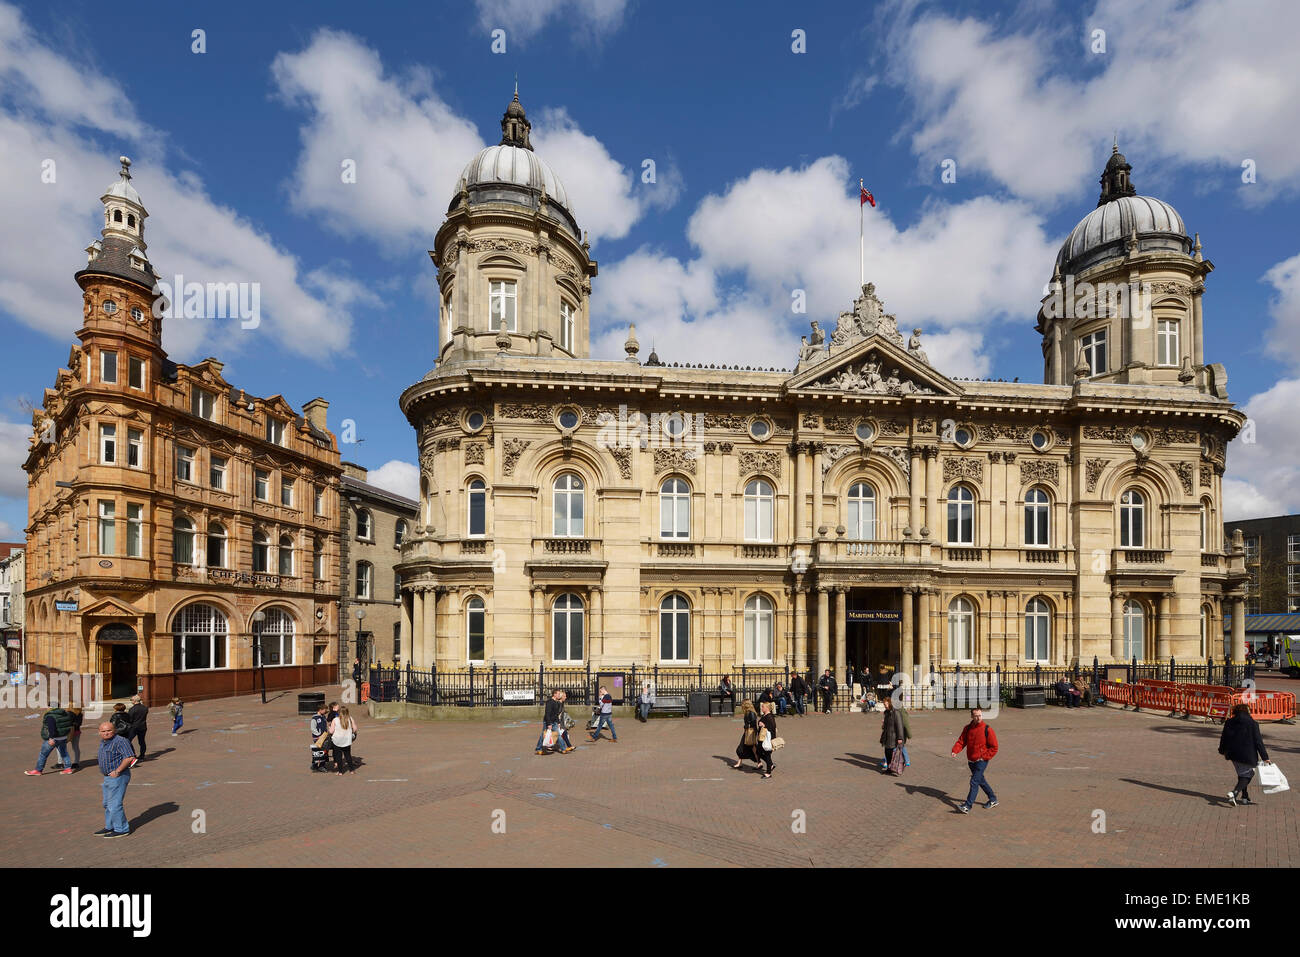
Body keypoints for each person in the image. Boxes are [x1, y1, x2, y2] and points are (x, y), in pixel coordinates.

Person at [1220, 701, 1271, 806]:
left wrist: (1222, 750)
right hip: (1247, 754)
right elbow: (1258, 741)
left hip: (1232, 753)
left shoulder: (1229, 722)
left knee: (1242, 774)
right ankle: (1234, 792)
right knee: (1248, 774)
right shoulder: (1252, 723)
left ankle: (1245, 796)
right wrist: (1265, 757)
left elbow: (1224, 737)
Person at [950, 708, 998, 813]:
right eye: (976, 716)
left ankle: (967, 806)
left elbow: (994, 747)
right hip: (971, 760)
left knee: (974, 782)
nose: (978, 717)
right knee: (981, 781)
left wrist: (984, 757)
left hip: (982, 761)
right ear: (972, 716)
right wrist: (955, 751)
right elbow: (961, 741)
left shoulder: (987, 729)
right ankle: (993, 799)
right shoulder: (967, 728)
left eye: (980, 715)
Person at [96, 720, 135, 837]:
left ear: (114, 731)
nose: (106, 733)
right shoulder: (104, 742)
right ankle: (110, 826)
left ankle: (122, 829)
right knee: (107, 803)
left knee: (114, 804)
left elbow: (129, 757)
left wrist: (117, 771)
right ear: (99, 732)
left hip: (118, 776)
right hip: (107, 777)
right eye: (103, 731)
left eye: (109, 730)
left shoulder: (120, 741)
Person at [24, 703, 75, 776]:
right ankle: (68, 768)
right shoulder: (65, 713)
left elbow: (51, 728)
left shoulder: (50, 716)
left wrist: (51, 738)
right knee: (64, 754)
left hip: (53, 739)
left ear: (50, 707)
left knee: (43, 754)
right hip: (63, 737)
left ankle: (38, 770)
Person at [535, 690, 574, 754]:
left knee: (558, 735)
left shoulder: (556, 702)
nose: (559, 695)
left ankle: (563, 749)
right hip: (548, 722)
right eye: (558, 694)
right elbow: (547, 713)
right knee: (543, 735)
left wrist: (558, 722)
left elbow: (556, 714)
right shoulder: (549, 702)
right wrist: (549, 723)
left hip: (554, 722)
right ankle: (538, 748)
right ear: (554, 694)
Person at [329, 706, 358, 775]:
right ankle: (351, 770)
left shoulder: (335, 720)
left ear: (339, 712)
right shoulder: (350, 719)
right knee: (348, 755)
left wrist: (330, 727)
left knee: (338, 756)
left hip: (337, 740)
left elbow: (331, 731)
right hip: (347, 740)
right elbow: (355, 729)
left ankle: (340, 771)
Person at [733, 700, 761, 770]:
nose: (741, 706)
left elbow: (753, 724)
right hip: (748, 732)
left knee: (745, 747)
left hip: (750, 733)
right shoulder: (748, 712)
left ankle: (760, 762)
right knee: (749, 748)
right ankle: (741, 762)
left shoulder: (751, 713)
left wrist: (746, 727)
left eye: (742, 704)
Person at [880, 697, 905, 774]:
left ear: (890, 703)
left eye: (886, 704)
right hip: (887, 735)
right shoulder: (887, 712)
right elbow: (886, 725)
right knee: (887, 752)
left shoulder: (896, 712)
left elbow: (899, 726)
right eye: (884, 704)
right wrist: (883, 725)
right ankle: (889, 768)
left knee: (890, 752)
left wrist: (900, 737)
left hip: (893, 735)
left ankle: (894, 767)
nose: (885, 706)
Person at [58, 706, 85, 772]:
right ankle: (76, 762)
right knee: (75, 747)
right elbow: (79, 724)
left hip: (68, 732)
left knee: (60, 746)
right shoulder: (80, 713)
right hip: (77, 732)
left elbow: (66, 723)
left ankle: (60, 762)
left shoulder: (69, 713)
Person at [755, 700, 778, 778]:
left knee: (767, 755)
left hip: (767, 739)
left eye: (763, 707)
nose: (761, 708)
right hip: (762, 738)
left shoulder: (769, 716)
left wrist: (764, 725)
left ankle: (768, 773)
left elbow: (772, 728)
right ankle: (770, 765)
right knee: (758, 751)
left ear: (767, 708)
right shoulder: (765, 715)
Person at [126, 695, 149, 761]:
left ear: (135, 701)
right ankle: (142, 755)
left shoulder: (132, 709)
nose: (131, 701)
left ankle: (133, 755)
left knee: (128, 741)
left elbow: (130, 719)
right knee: (142, 741)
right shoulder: (145, 708)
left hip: (134, 727)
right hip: (143, 726)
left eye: (132, 700)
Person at [310, 702, 331, 772]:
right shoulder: (315, 718)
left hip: (324, 736)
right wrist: (318, 734)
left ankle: (322, 765)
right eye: (325, 710)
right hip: (318, 737)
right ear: (320, 710)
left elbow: (325, 726)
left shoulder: (323, 717)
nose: (326, 711)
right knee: (318, 751)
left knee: (325, 750)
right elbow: (313, 728)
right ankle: (315, 764)